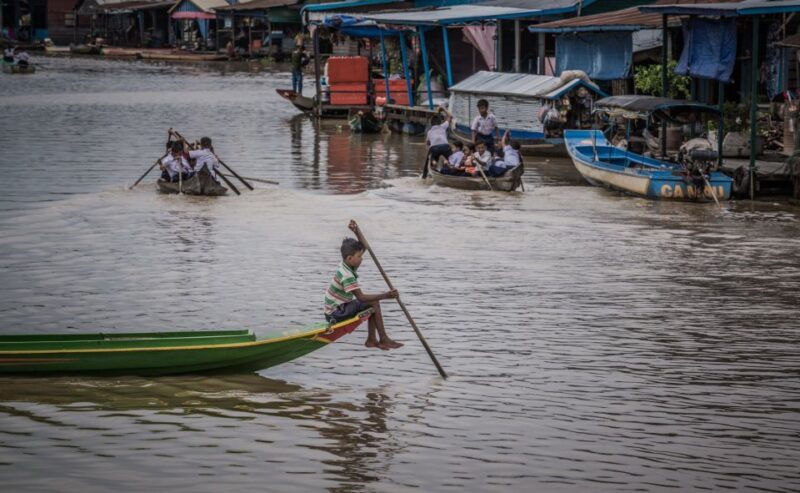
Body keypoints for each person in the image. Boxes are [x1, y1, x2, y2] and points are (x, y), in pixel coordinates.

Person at [324, 237, 403, 351]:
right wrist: (386, 295)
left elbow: (364, 247)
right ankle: (383, 339)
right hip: (336, 313)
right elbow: (361, 297)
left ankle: (372, 339)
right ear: (350, 258)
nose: (362, 259)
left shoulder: (346, 264)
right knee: (373, 301)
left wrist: (356, 232)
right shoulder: (347, 275)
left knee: (371, 304)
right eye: (359, 257)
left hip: (337, 310)